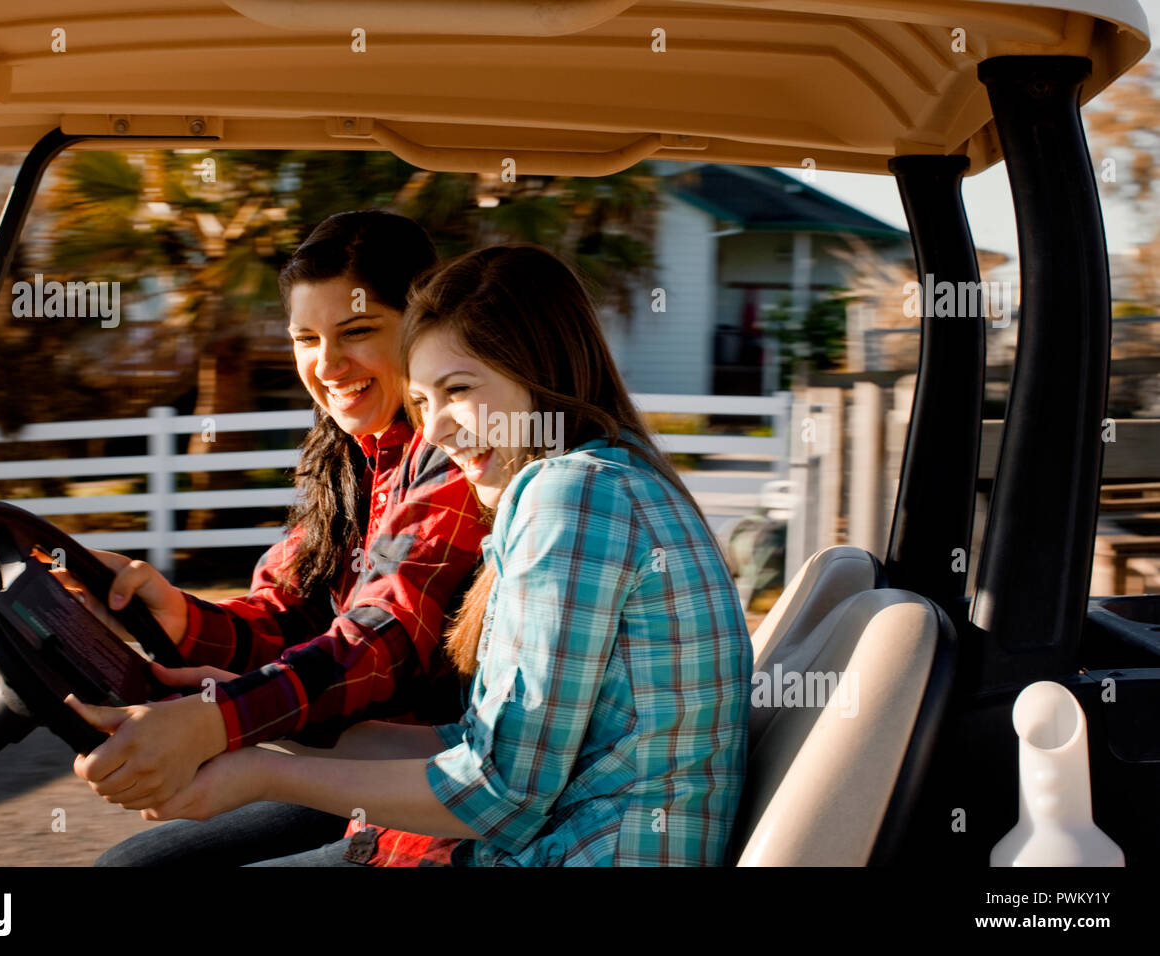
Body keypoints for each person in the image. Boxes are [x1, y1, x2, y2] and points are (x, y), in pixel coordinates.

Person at [110, 244, 753, 866]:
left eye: (459, 388)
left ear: (540, 370)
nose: (437, 427)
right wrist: (247, 714)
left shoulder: (574, 495)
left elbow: (500, 795)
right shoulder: (597, 482)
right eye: (422, 401)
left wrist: (259, 773)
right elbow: (477, 751)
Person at [67, 210, 490, 866]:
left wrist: (215, 721)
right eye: (305, 339)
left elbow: (380, 641)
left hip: (428, 799)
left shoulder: (455, 458)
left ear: (423, 327)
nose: (327, 365)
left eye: (357, 331)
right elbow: (289, 615)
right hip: (346, 761)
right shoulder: (348, 458)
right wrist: (165, 610)